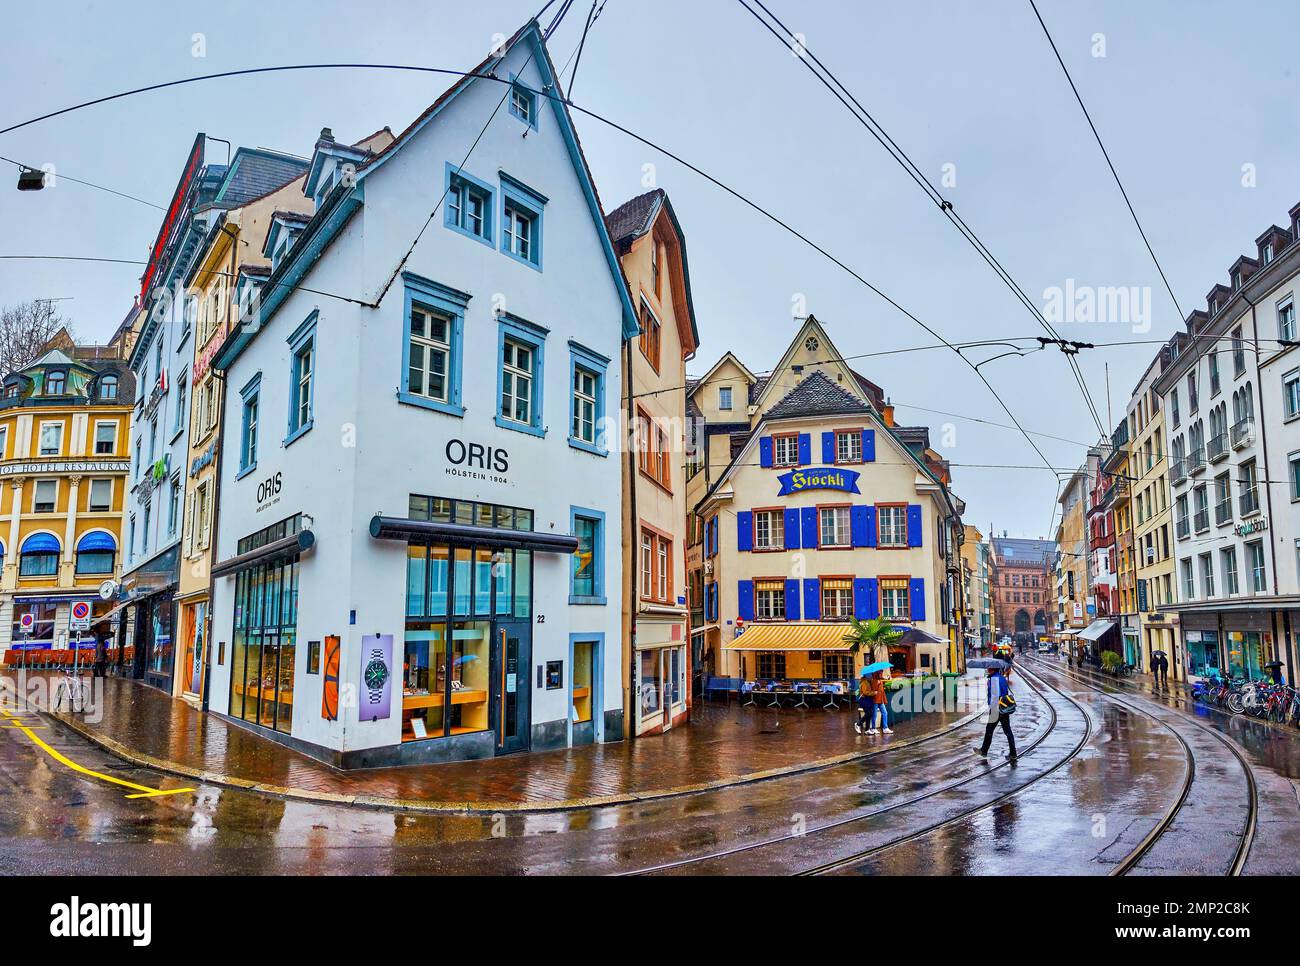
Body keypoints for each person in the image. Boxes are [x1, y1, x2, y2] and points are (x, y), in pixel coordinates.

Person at [974, 664, 1017, 761]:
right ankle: (1013, 752)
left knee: (989, 730)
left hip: (996, 709)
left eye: (988, 668)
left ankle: (984, 751)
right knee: (1007, 731)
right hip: (1004, 707)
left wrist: (991, 706)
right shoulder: (1001, 678)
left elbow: (994, 695)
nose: (987, 669)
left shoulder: (994, 679)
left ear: (992, 669)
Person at [870, 669, 893, 734]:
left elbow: (882, 691)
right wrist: (878, 684)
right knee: (874, 714)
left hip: (880, 700)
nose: (881, 674)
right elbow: (874, 691)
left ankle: (885, 728)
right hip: (875, 700)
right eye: (880, 673)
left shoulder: (880, 680)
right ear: (877, 674)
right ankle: (873, 728)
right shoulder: (874, 681)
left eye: (881, 673)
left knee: (885, 712)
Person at [855, 669, 875, 735]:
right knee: (868, 713)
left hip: (869, 700)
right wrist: (874, 693)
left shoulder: (869, 682)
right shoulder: (864, 682)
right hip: (864, 700)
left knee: (870, 714)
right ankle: (858, 724)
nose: (872, 676)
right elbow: (865, 692)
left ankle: (867, 729)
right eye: (870, 674)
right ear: (867, 675)